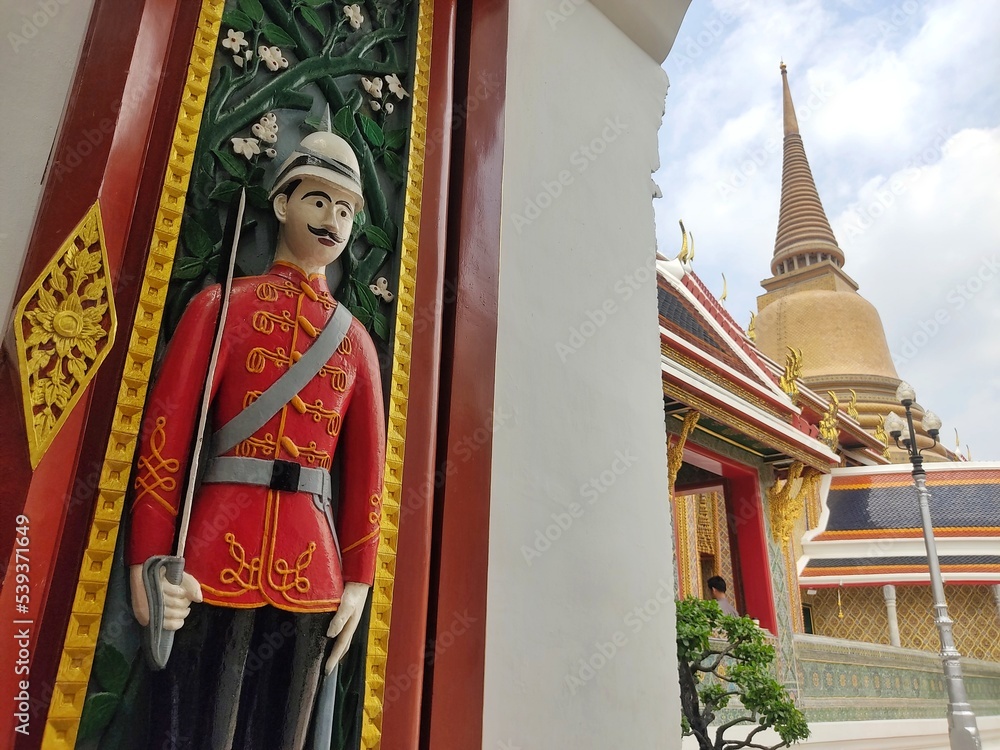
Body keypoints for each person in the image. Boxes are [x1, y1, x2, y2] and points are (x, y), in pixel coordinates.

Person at [127, 129, 385, 750]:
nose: (332, 220)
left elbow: (368, 472)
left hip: (312, 569)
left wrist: (358, 578)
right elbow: (167, 439)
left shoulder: (354, 343)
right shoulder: (222, 308)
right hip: (211, 560)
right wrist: (148, 563)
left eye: (345, 209)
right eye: (318, 200)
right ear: (282, 203)